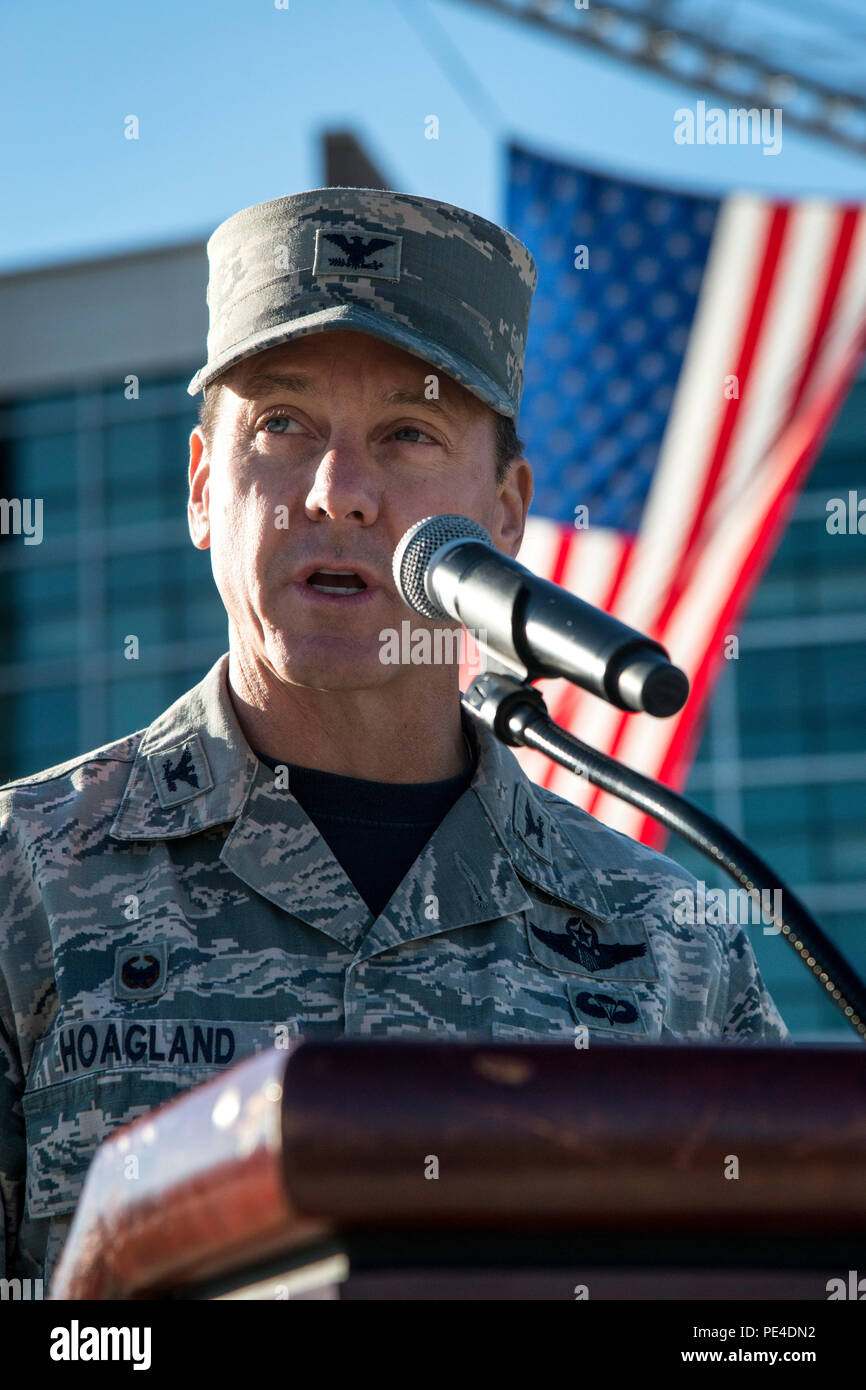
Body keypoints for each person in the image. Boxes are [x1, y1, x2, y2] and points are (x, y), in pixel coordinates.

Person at [0, 187, 789, 1287]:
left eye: (407, 434)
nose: (339, 493)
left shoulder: (670, 943)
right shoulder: (24, 877)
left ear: (505, 513)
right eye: (281, 425)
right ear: (199, 487)